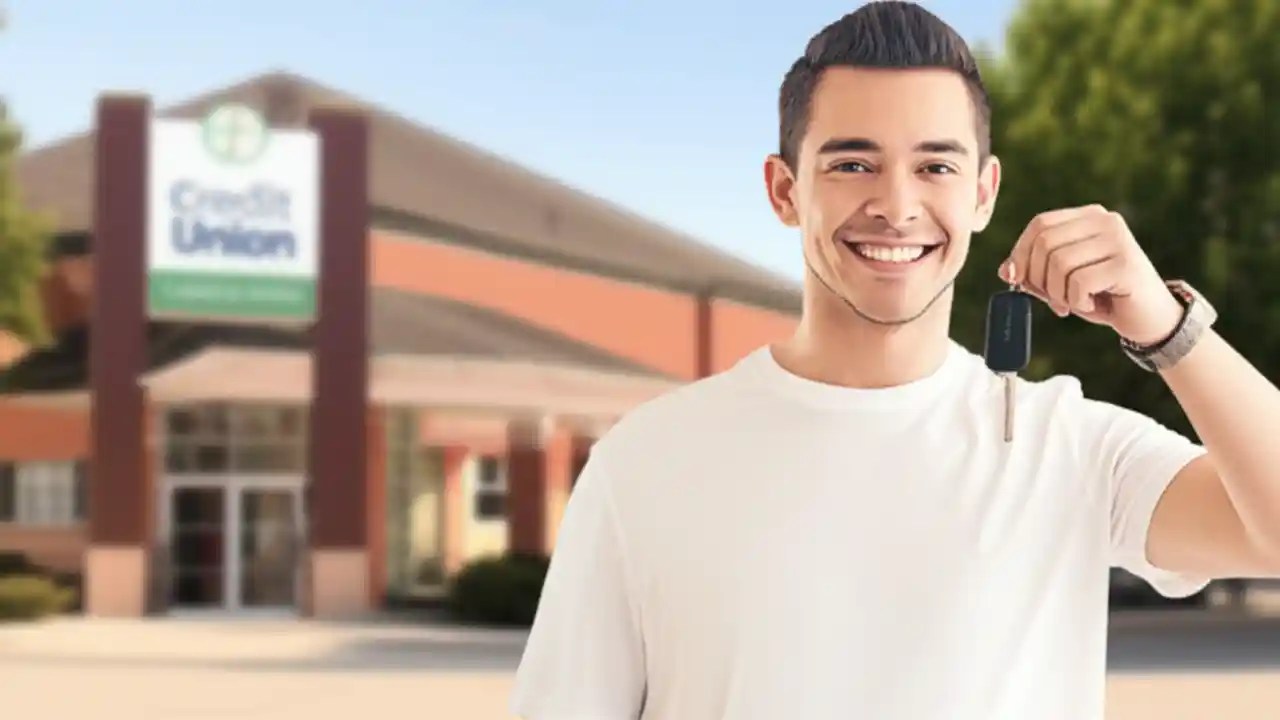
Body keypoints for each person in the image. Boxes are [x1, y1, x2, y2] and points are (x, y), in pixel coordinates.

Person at [509, 2, 1280, 718]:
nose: (897, 206)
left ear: (983, 193)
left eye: (935, 167)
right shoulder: (645, 461)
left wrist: (1168, 329)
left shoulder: (1068, 446)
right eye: (853, 164)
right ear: (784, 191)